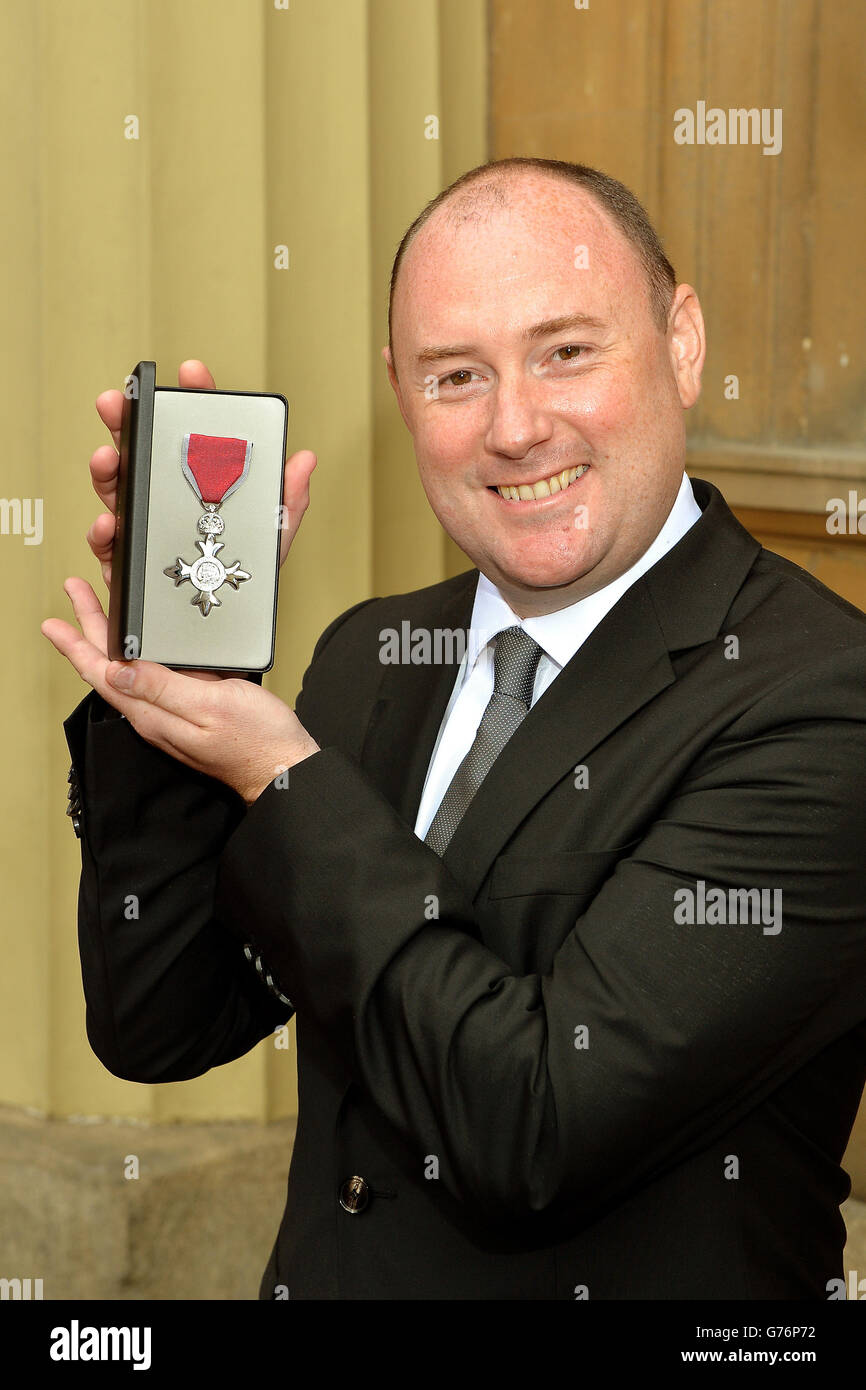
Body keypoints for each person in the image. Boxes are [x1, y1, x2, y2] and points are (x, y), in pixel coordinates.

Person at [43, 158, 866, 1300]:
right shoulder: (372, 655)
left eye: (565, 352)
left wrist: (282, 773)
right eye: (454, 376)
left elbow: (534, 1125)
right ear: (397, 389)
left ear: (681, 341)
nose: (514, 427)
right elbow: (162, 1026)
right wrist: (174, 697)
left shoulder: (822, 701)